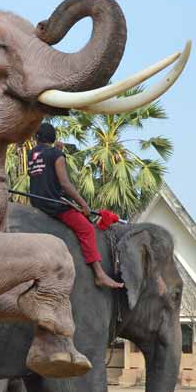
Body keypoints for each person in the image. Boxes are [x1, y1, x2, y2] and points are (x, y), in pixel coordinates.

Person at [28, 122, 124, 290]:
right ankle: (100, 274)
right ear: (53, 139)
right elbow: (65, 184)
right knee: (87, 229)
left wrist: (56, 151)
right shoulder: (56, 154)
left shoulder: (32, 154)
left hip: (36, 201)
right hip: (53, 204)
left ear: (37, 138)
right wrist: (83, 204)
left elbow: (44, 164)